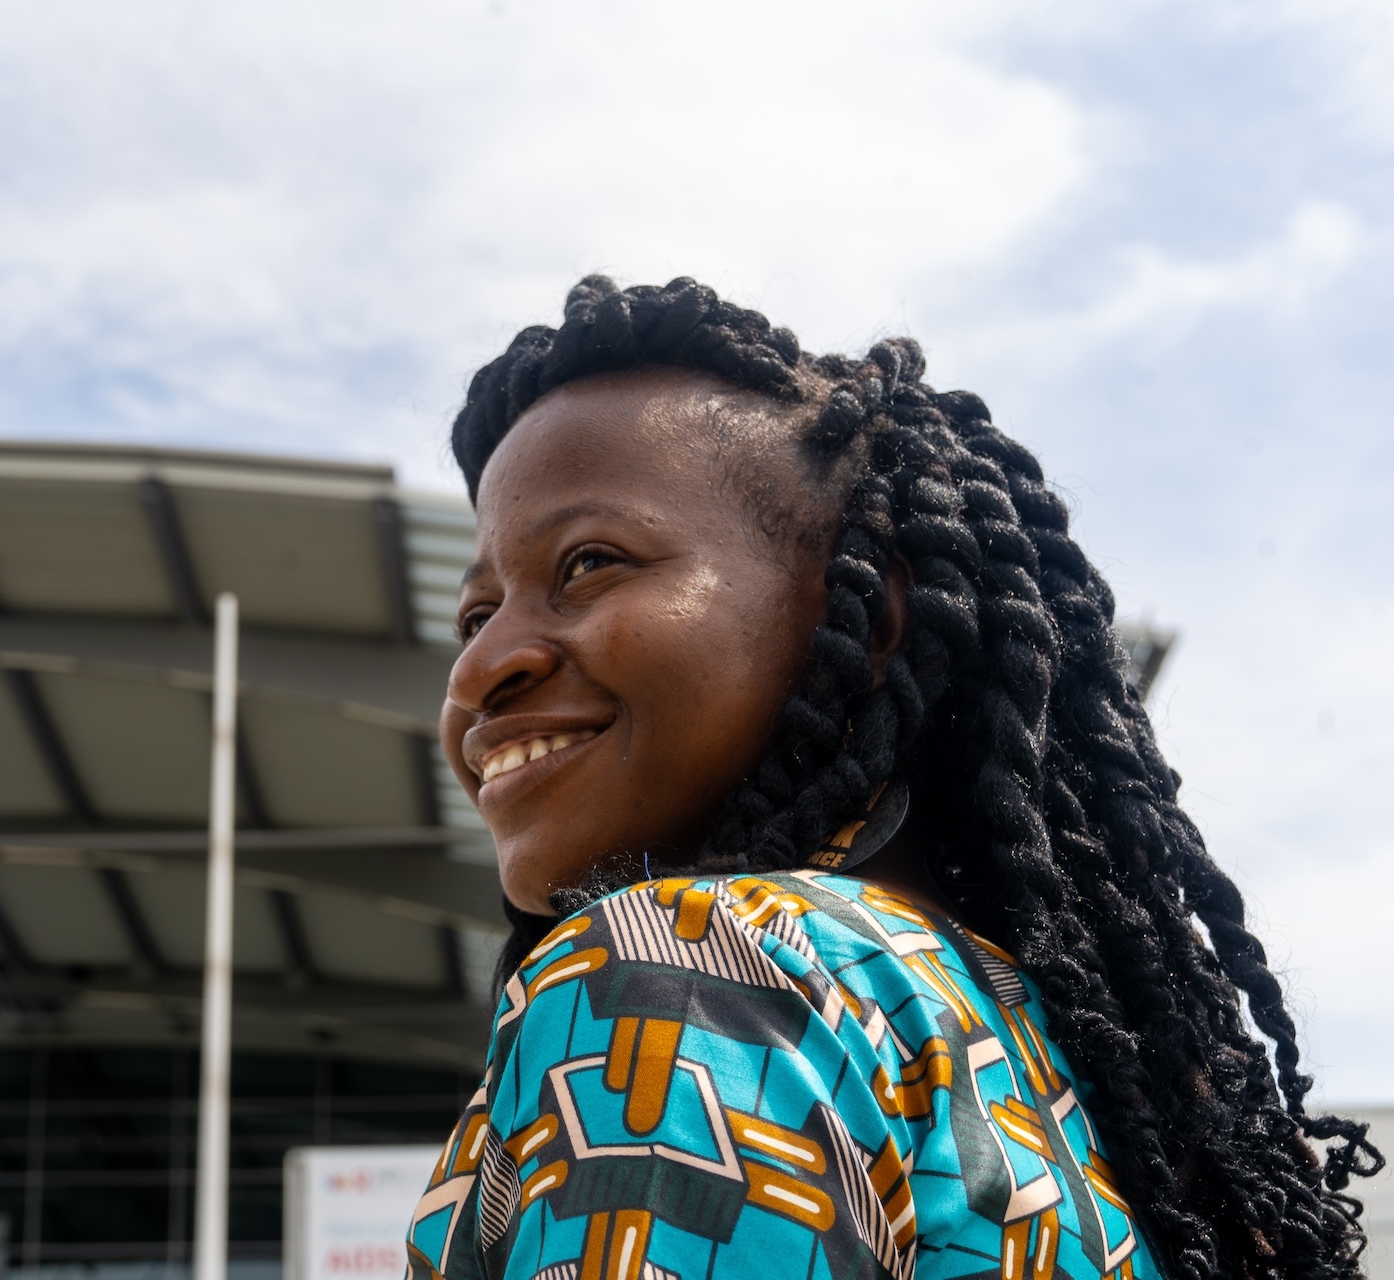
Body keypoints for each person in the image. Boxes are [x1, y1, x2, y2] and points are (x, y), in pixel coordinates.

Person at [405, 278, 1381, 1280]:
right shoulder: (1076, 1081)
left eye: (589, 562)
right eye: (474, 617)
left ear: (871, 621)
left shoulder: (693, 966)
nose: (481, 669)